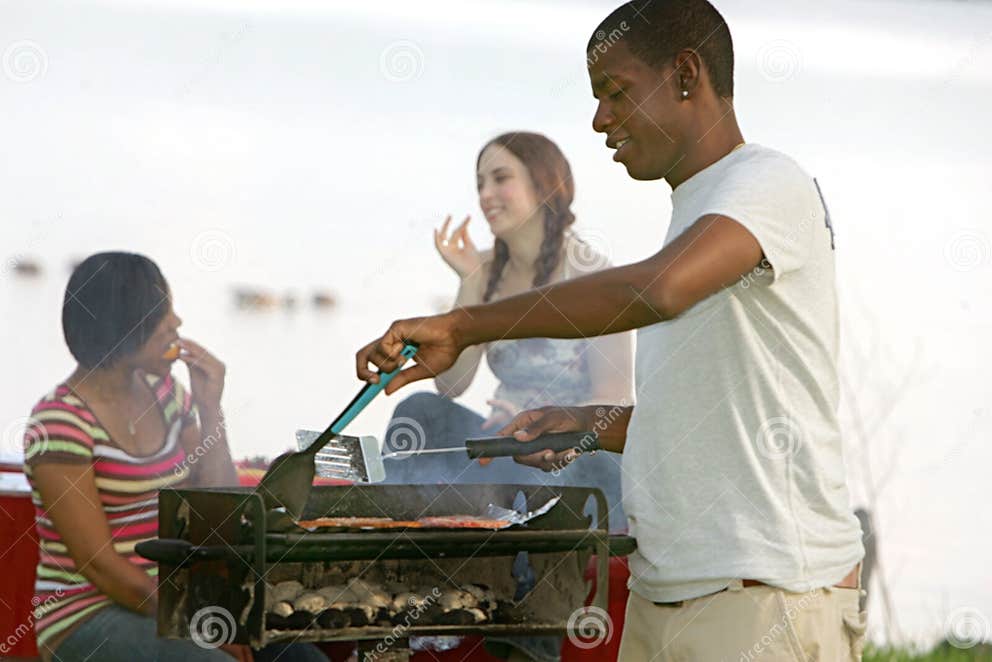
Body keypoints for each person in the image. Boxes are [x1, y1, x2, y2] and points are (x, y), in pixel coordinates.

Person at [355, 1, 867, 660]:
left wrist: (464, 325)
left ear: (686, 75)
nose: (599, 119)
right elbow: (704, 414)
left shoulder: (767, 183)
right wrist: (586, 423)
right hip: (669, 591)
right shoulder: (697, 213)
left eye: (616, 92)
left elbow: (655, 289)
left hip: (765, 595)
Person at [23, 252, 326, 662]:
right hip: (87, 617)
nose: (177, 324)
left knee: (301, 658)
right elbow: (99, 565)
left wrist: (209, 406)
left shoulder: (165, 395)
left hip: (172, 601)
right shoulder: (60, 423)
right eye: (162, 315)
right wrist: (195, 623)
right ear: (126, 330)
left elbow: (217, 506)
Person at [382, 131, 632, 518]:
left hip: (572, 451)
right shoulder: (483, 270)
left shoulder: (593, 275)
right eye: (480, 183)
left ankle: (530, 542)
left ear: (544, 183)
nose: (485, 195)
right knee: (421, 410)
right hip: (504, 440)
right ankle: (396, 527)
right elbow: (451, 386)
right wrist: (469, 282)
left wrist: (538, 422)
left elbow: (613, 399)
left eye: (500, 179)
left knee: (551, 466)